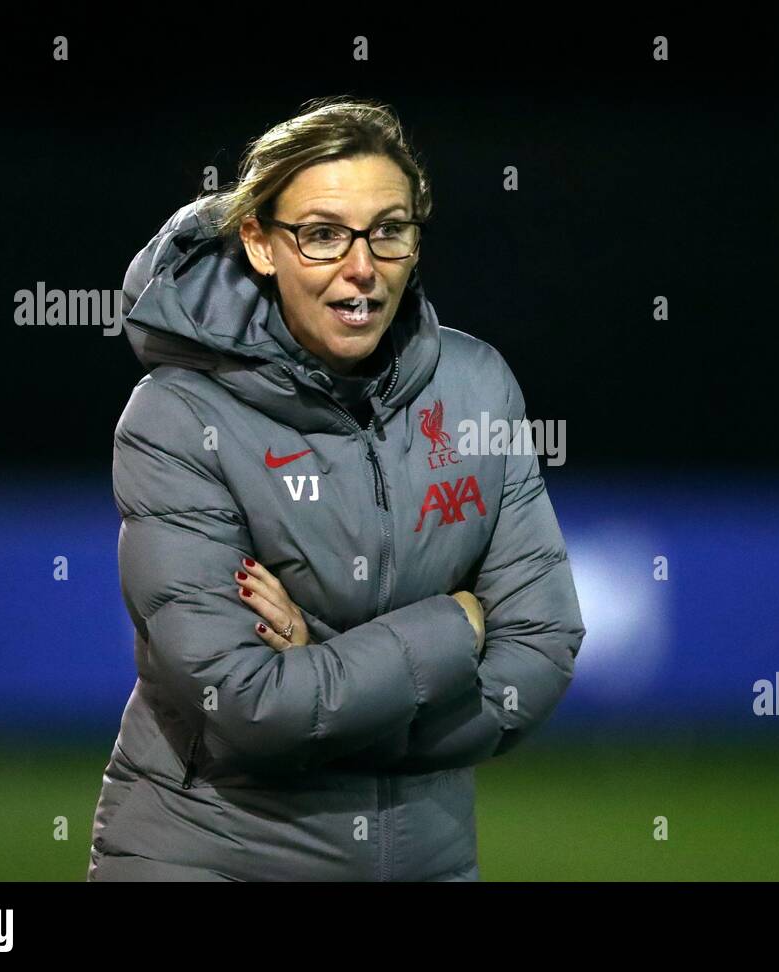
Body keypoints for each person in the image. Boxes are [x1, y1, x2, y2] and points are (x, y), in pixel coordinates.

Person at [86, 96, 585, 881]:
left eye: (389, 229)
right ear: (258, 241)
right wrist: (457, 627)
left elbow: (542, 652)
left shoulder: (478, 386)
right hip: (211, 857)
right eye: (322, 235)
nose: (362, 267)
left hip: (428, 861)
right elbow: (248, 705)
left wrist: (323, 666)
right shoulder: (176, 416)